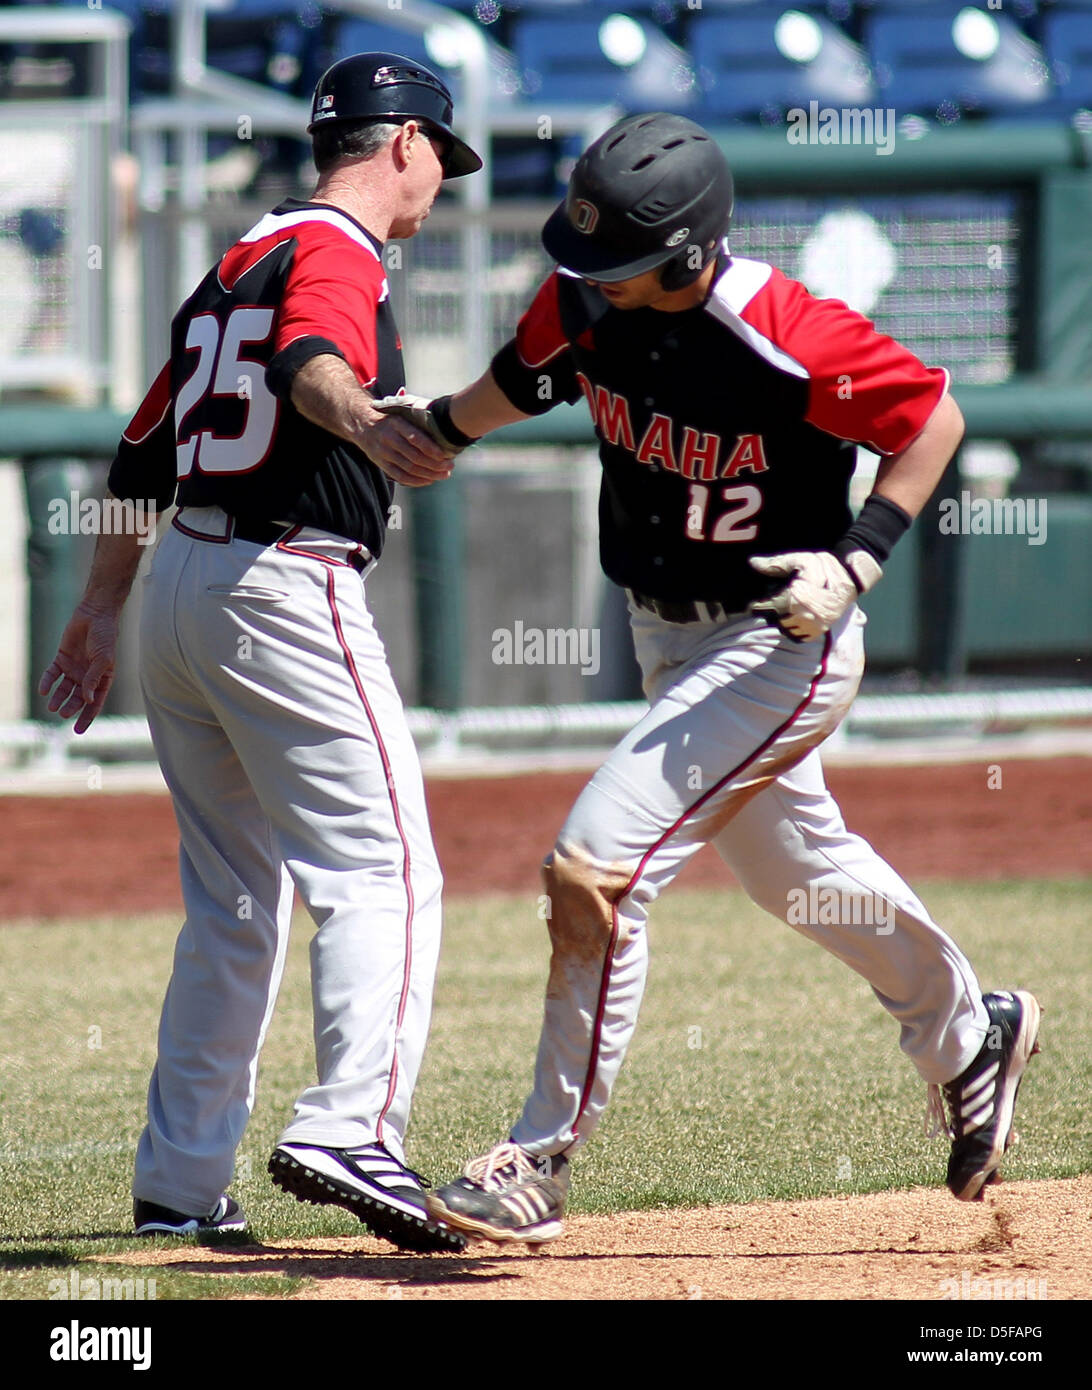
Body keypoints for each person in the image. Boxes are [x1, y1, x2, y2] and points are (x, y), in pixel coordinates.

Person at [378, 112, 1042, 1246]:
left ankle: (539, 1154)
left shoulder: (784, 332)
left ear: (685, 256)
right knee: (797, 873)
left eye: (614, 261)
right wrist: (436, 428)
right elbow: (519, 379)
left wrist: (860, 557)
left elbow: (934, 419)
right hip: (665, 632)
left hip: (781, 634)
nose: (583, 276)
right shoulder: (588, 297)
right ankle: (970, 1033)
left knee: (594, 869)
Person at [38, 52, 481, 1253]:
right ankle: (352, 1124)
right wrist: (374, 422)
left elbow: (141, 453)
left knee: (235, 903)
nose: (443, 178)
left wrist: (97, 612)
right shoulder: (337, 250)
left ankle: (182, 1188)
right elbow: (308, 365)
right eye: (441, 152)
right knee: (385, 871)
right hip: (284, 580)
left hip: (183, 579)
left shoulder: (240, 256)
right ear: (399, 144)